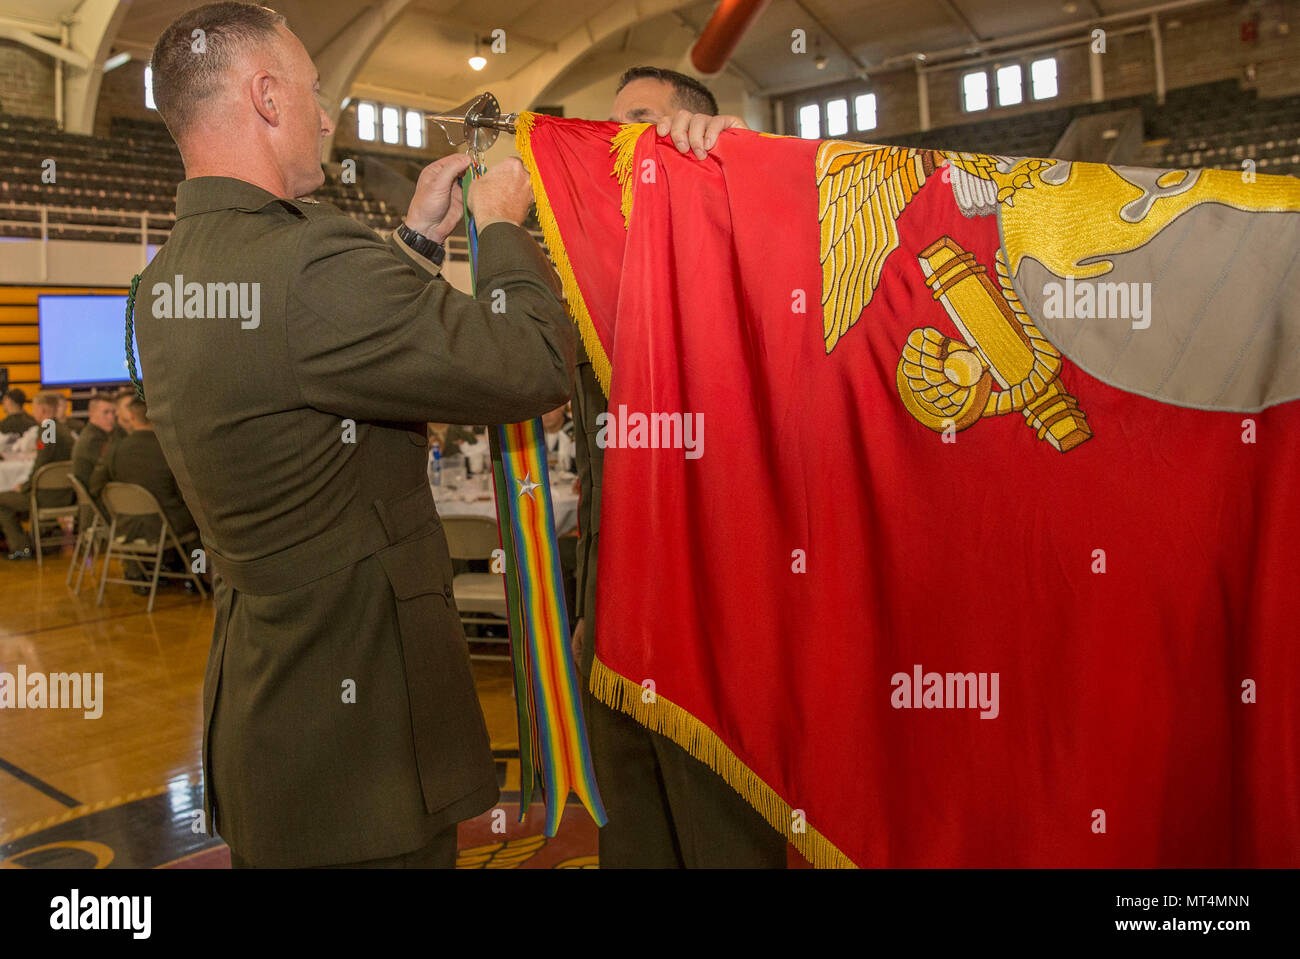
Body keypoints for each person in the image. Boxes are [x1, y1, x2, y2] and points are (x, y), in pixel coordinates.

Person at [137, 1, 572, 868]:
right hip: (365, 739)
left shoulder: (166, 278)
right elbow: (531, 366)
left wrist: (414, 240)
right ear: (265, 97)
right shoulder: (310, 263)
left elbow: (315, 370)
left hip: (271, 721)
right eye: (313, 90)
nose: (327, 113)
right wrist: (505, 230)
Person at [570, 67, 787, 868]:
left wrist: (742, 161)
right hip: (617, 612)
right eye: (611, 120)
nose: (617, 137)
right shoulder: (602, 264)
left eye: (640, 120)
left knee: (721, 832)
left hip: (716, 610)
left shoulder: (736, 237)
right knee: (633, 830)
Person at [0, 391, 75, 560]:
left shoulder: (48, 427)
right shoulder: (62, 428)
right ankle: (41, 537)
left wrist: (24, 487)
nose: (32, 411)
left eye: (33, 407)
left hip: (47, 497)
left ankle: (21, 547)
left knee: (2, 500)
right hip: (66, 494)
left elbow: (43, 462)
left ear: (43, 409)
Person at [71, 395, 116, 489]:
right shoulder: (93, 440)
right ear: (92, 414)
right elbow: (110, 470)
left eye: (113, 412)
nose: (111, 417)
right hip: (96, 495)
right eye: (106, 412)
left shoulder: (92, 433)